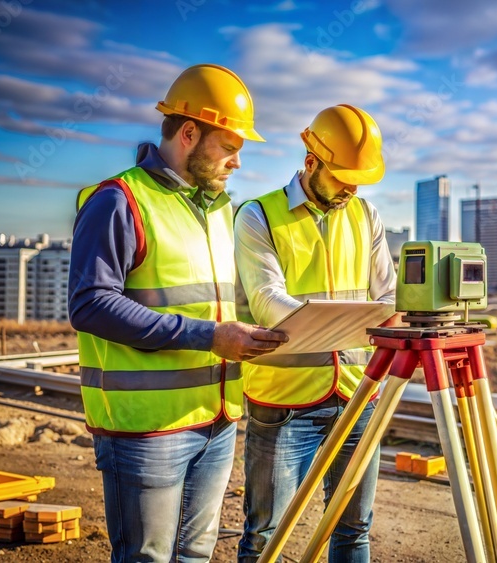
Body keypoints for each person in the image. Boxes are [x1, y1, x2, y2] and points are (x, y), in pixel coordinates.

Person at [68, 63, 288, 563]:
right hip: (147, 427)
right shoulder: (119, 200)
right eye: (229, 147)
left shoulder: (217, 211)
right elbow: (90, 304)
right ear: (189, 133)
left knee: (195, 555)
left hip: (217, 418)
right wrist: (210, 336)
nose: (236, 162)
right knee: (147, 558)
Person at [234, 104, 397, 562]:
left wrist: (359, 323)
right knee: (266, 535)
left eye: (358, 177)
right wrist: (358, 325)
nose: (352, 187)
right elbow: (270, 304)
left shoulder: (366, 215)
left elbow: (388, 299)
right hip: (284, 401)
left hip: (358, 395)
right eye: (343, 175)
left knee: (354, 530)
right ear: (310, 162)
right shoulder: (257, 216)